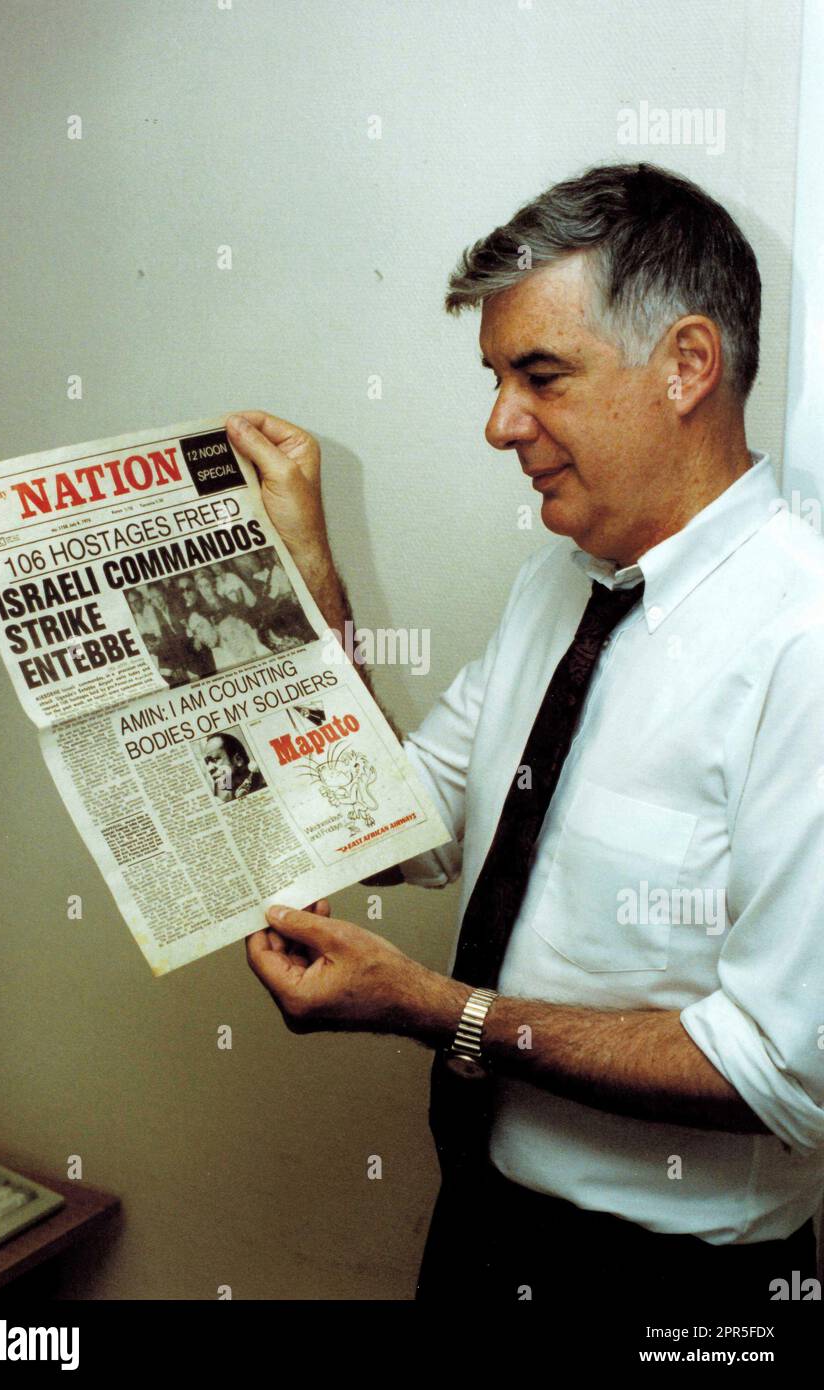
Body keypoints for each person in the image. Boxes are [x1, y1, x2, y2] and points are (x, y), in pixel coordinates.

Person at [228, 163, 824, 1306]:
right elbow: (397, 818)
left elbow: (781, 1069)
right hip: (479, 1229)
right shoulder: (557, 588)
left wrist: (429, 1011)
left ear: (686, 367)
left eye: (538, 375)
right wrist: (308, 577)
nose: (498, 423)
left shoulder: (802, 639)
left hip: (675, 1286)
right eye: (497, 378)